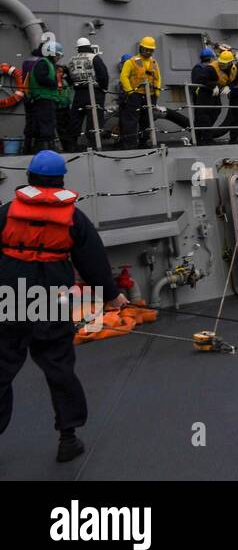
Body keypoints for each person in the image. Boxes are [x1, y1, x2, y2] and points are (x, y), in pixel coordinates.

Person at [0, 151, 128, 462]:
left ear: (29, 178)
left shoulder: (6, 213)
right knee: (59, 368)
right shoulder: (73, 217)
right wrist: (113, 296)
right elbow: (93, 262)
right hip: (51, 303)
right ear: (60, 181)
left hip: (10, 300)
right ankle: (68, 439)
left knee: (1, 370)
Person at [60, 38, 109, 151]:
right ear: (89, 47)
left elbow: (68, 77)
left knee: (75, 119)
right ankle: (94, 146)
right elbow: (103, 75)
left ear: (78, 48)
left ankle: (72, 146)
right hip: (94, 92)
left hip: (78, 93)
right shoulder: (94, 58)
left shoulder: (71, 59)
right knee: (94, 119)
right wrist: (103, 89)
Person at [25, 39, 71, 154]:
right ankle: (45, 149)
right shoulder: (43, 62)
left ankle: (45, 147)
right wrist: (54, 83)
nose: (59, 58)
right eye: (58, 55)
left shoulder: (48, 63)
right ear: (52, 53)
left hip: (48, 99)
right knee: (46, 124)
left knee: (49, 123)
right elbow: (41, 77)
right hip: (43, 99)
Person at [118, 36, 161, 150]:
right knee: (131, 120)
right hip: (135, 95)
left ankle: (144, 141)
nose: (148, 52)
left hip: (150, 95)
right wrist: (130, 92)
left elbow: (157, 78)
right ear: (141, 48)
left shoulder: (154, 63)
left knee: (146, 120)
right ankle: (130, 143)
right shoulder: (131, 62)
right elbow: (124, 77)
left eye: (151, 50)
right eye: (146, 49)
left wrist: (156, 92)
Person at [216, 50, 238, 144]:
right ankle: (234, 138)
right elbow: (232, 80)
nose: (222, 65)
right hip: (237, 95)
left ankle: (235, 137)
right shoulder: (227, 68)